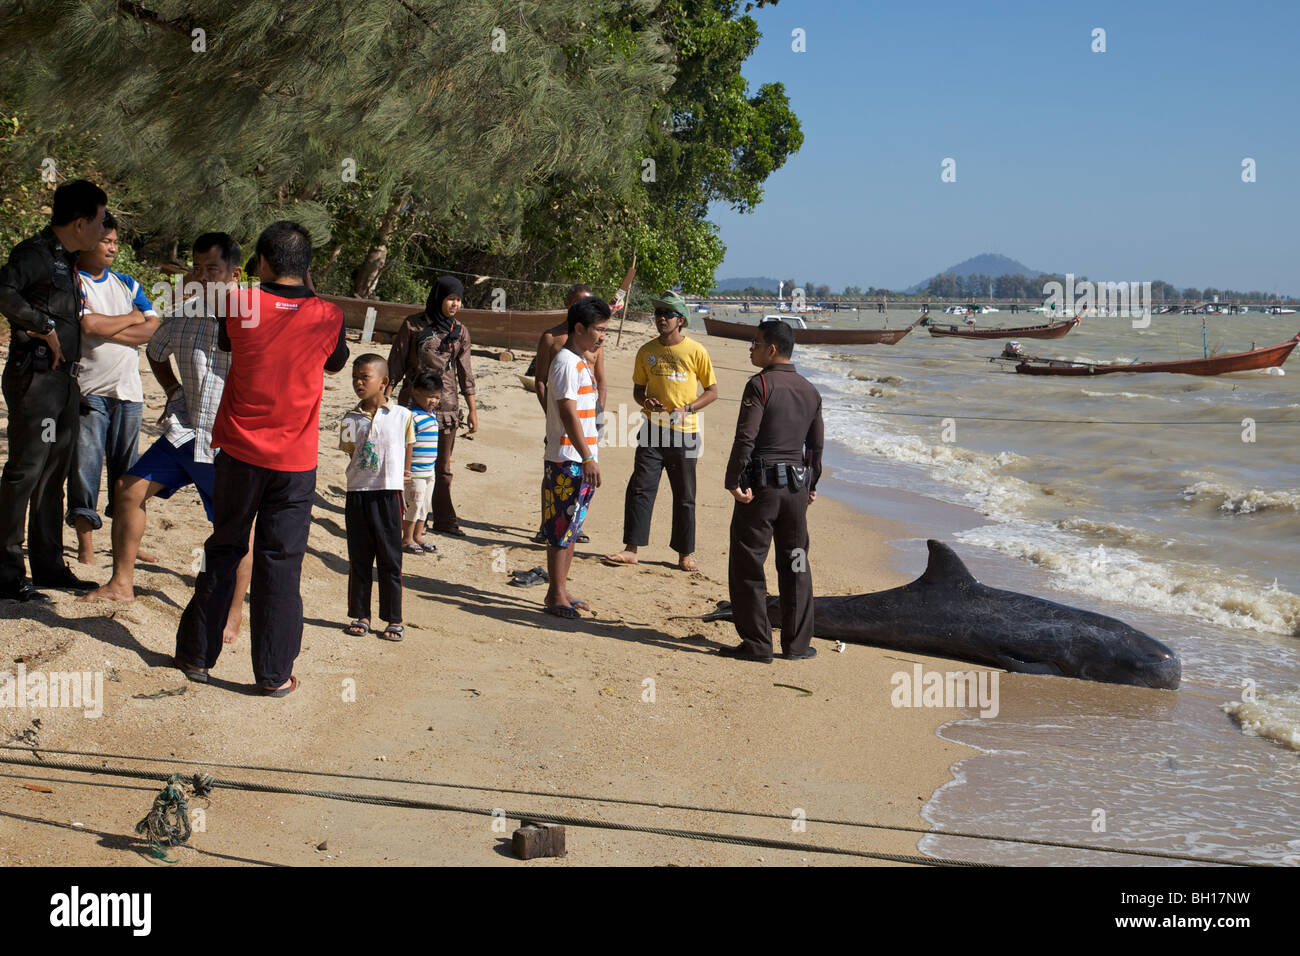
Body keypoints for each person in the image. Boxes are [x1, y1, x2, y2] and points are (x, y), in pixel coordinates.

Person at [174, 220, 348, 696]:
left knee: (226, 547)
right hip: (294, 462)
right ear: (308, 267)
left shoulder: (239, 303)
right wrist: (309, 295)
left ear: (262, 262)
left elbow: (229, 343)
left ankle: (196, 656)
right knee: (281, 562)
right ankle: (273, 675)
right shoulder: (330, 316)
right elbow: (334, 362)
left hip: (238, 452)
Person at [79, 232, 253, 647]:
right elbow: (156, 349)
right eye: (197, 267)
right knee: (127, 490)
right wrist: (174, 389)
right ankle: (122, 582)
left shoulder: (253, 318)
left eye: (212, 269)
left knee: (235, 531)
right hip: (185, 428)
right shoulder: (185, 311)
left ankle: (233, 612)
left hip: (230, 440)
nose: (202, 276)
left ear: (235, 273)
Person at [0, 179, 107, 601]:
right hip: (36, 380)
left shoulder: (67, 259)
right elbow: (3, 290)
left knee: (52, 475)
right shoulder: (35, 254)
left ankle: (47, 565)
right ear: (79, 222)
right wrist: (41, 325)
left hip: (63, 383)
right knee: (26, 472)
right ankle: (7, 570)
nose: (103, 231)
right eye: (99, 221)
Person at [721, 319, 823, 663]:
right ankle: (796, 645)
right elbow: (815, 449)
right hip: (795, 491)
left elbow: (746, 438)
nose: (752, 348)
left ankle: (757, 644)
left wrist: (733, 480)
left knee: (749, 562)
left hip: (760, 491)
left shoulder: (759, 386)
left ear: (772, 349)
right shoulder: (811, 390)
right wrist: (812, 485)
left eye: (756, 342)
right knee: (795, 564)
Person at [66, 212, 160, 565]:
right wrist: (132, 320)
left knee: (129, 473)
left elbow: (153, 327)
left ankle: (126, 545)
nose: (113, 247)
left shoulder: (126, 282)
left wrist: (109, 328)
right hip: (90, 389)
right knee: (84, 467)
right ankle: (86, 544)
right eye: (106, 241)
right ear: (89, 241)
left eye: (116, 242)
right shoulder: (74, 280)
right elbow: (87, 324)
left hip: (129, 392)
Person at [603, 291, 718, 572]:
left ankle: (684, 554)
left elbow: (712, 391)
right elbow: (638, 390)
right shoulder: (646, 351)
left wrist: (688, 408)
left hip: (686, 432)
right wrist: (645, 402)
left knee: (684, 494)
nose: (661, 318)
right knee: (641, 488)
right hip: (652, 430)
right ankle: (631, 549)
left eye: (667, 314)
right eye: (658, 314)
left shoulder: (696, 351)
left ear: (680, 320)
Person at [387, 276, 477, 537]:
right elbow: (396, 364)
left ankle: (443, 518)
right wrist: (384, 401)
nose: (455, 304)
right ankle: (403, 519)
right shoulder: (413, 325)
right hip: (412, 406)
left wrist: (472, 410)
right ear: (438, 298)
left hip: (447, 406)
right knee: (407, 464)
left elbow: (465, 373)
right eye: (451, 298)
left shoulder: (460, 331)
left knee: (442, 466)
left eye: (458, 299)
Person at [541, 296, 610, 618]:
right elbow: (567, 411)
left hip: (578, 456)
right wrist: (587, 457)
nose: (602, 336)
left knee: (572, 526)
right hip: (567, 458)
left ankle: (562, 588)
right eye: (598, 330)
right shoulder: (567, 362)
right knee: (560, 527)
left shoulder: (581, 359)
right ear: (579, 328)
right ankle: (555, 593)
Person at [340, 355, 414, 642]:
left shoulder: (402, 415)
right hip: (357, 493)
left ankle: (393, 619)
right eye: (355, 377)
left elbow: (408, 445)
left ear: (383, 382)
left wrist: (403, 480)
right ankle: (361, 615)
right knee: (359, 557)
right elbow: (350, 451)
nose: (358, 382)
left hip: (389, 494)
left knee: (389, 558)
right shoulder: (350, 418)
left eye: (364, 377)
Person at [530, 283, 604, 544]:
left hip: (588, 416)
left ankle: (574, 526)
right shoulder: (553, 339)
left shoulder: (594, 342)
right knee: (557, 474)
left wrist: (598, 415)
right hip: (563, 420)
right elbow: (541, 382)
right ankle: (547, 524)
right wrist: (553, 415)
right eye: (576, 302)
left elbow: (600, 380)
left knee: (583, 477)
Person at [401, 369, 442, 554]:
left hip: (429, 471)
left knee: (425, 505)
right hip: (415, 472)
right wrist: (406, 471)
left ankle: (418, 536)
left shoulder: (432, 415)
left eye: (437, 397)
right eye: (430, 397)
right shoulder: (411, 417)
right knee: (414, 504)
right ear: (416, 393)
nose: (433, 401)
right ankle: (406, 538)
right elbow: (407, 444)